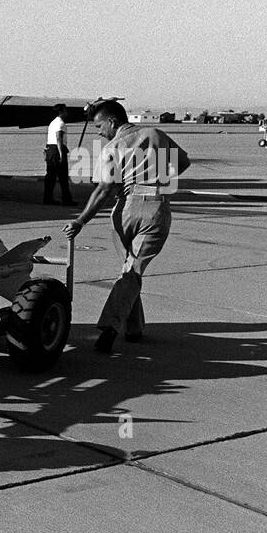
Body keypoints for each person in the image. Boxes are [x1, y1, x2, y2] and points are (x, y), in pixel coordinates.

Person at [63, 100, 190, 353]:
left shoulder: (112, 147)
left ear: (112, 122)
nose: (99, 132)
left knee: (130, 270)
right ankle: (120, 327)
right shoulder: (156, 135)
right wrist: (159, 176)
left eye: (100, 126)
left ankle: (123, 327)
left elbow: (103, 190)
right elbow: (183, 162)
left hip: (125, 209)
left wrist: (80, 220)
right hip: (155, 207)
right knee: (132, 270)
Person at [43, 104, 75, 206]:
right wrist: (61, 154)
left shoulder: (53, 123)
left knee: (52, 176)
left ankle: (49, 198)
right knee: (62, 177)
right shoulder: (60, 123)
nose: (67, 112)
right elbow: (59, 139)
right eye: (65, 110)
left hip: (51, 150)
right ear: (61, 112)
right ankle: (66, 200)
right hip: (57, 151)